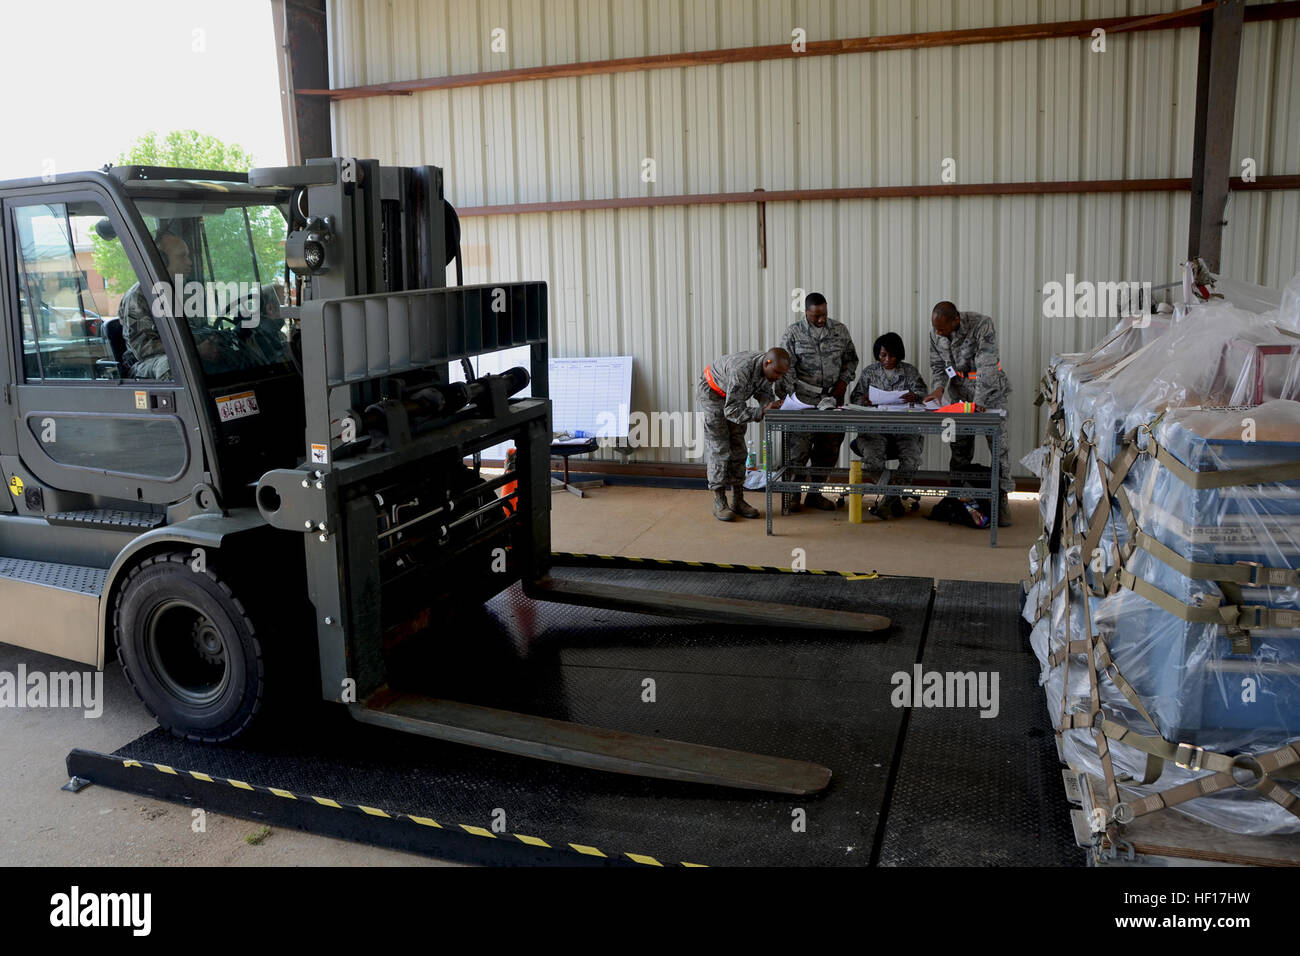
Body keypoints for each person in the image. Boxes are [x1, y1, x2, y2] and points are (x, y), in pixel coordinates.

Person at [922, 301, 1013, 525]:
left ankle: (1000, 502)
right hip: (959, 397)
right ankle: (959, 498)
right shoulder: (936, 334)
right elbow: (938, 366)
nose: (938, 333)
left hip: (990, 395)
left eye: (942, 328)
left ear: (956, 320)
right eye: (935, 328)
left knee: (998, 448)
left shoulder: (981, 325)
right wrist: (939, 389)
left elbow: (987, 365)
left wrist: (980, 401)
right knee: (959, 447)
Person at [778, 292, 859, 511]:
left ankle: (815, 493)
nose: (821, 320)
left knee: (828, 449)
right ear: (806, 312)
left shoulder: (840, 330)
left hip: (831, 398)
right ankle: (792, 497)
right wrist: (790, 397)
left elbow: (851, 359)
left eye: (824, 314)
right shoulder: (793, 333)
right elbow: (786, 368)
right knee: (798, 451)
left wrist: (843, 383)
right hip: (802, 400)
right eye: (816, 316)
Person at [698, 348, 791, 521]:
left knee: (738, 448)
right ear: (767, 362)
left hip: (732, 398)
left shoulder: (768, 370)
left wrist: (774, 406)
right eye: (777, 373)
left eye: (782, 375)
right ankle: (719, 501)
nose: (778, 378)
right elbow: (732, 411)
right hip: (713, 394)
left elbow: (763, 393)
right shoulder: (741, 370)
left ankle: (738, 500)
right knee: (720, 448)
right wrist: (762, 411)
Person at [849, 332, 927, 518]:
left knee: (911, 459)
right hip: (874, 430)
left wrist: (916, 397)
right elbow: (854, 398)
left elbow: (925, 395)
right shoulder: (869, 372)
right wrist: (865, 400)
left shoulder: (909, 371)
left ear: (899, 355)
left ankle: (888, 501)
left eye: (892, 355)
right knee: (872, 460)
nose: (887, 359)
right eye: (883, 355)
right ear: (878, 354)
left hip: (905, 429)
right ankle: (893, 499)